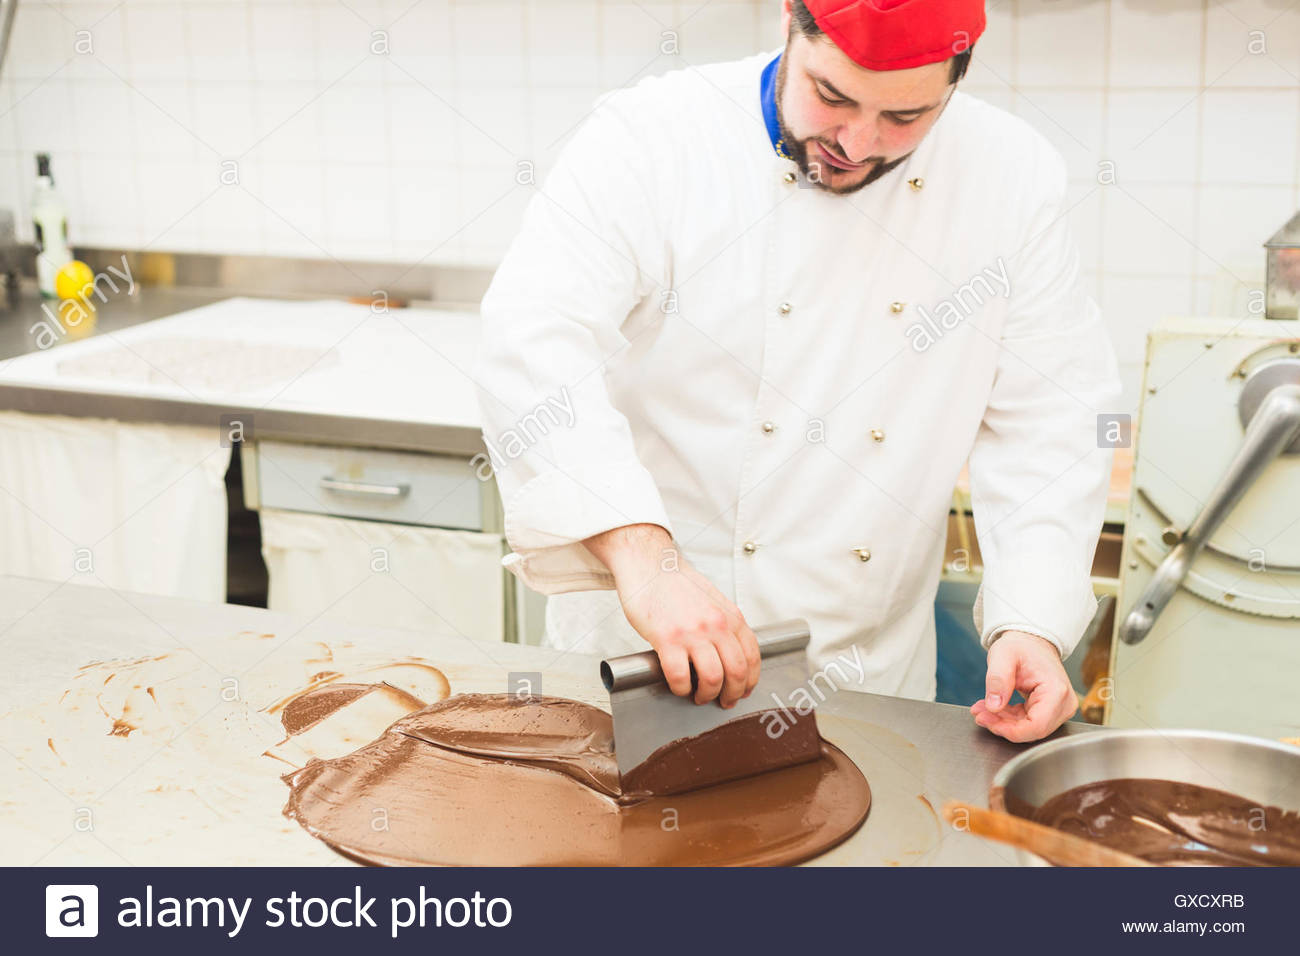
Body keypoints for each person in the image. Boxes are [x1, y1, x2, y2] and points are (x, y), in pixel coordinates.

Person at [473, 0, 1121, 743]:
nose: (855, 141)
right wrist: (646, 559)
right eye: (832, 96)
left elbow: (1052, 416)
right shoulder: (654, 137)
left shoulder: (1010, 175)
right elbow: (533, 337)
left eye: (904, 117)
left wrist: (1031, 620)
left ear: (955, 79)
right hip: (643, 653)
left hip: (869, 677)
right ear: (789, 22)